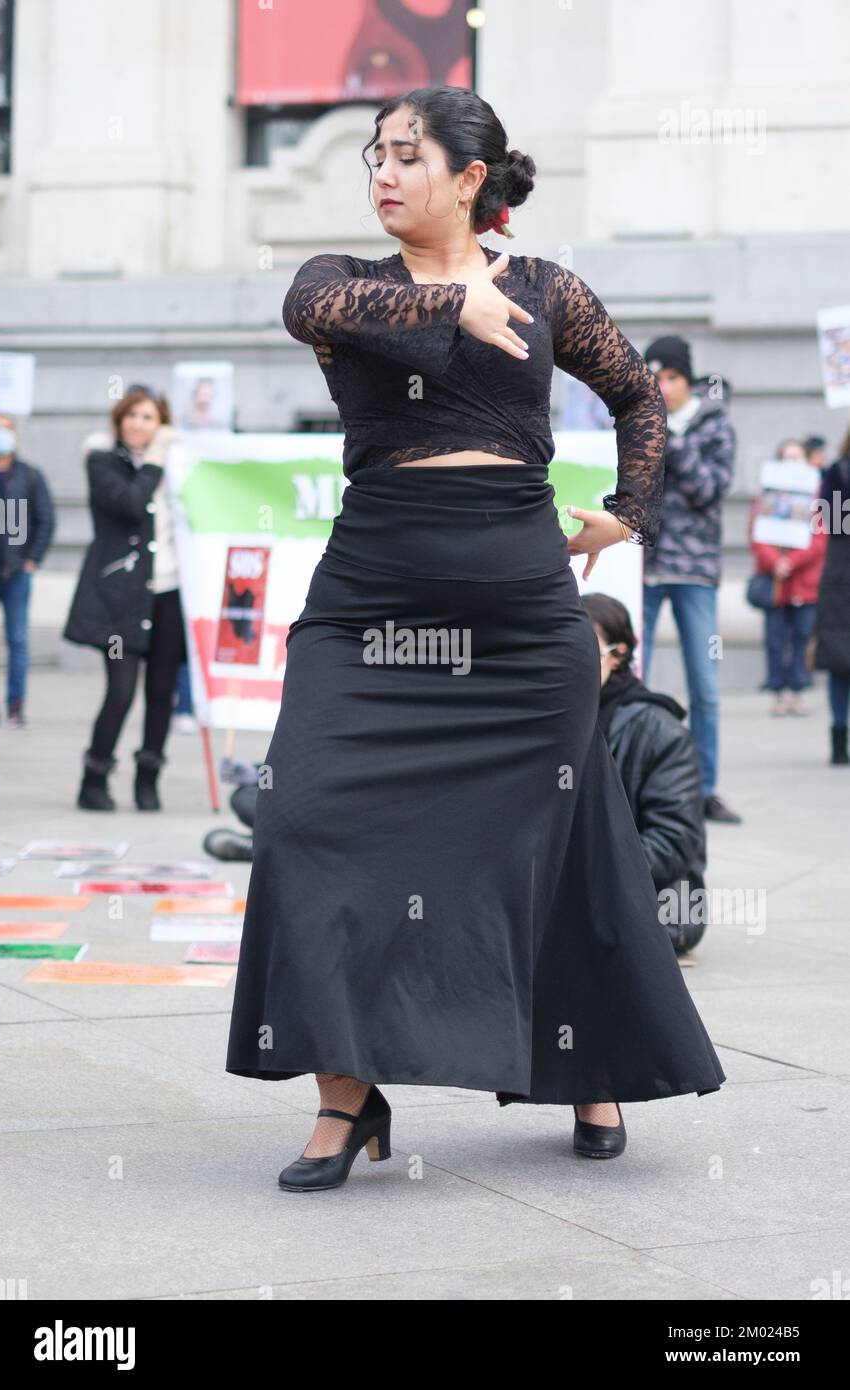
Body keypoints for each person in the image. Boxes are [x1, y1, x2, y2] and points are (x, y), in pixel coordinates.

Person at [225, 86, 725, 1192]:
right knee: (302, 811)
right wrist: (451, 309)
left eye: (410, 154)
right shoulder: (337, 280)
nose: (384, 171)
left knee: (555, 834)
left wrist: (625, 511)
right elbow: (317, 314)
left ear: (469, 178)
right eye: (375, 153)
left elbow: (638, 398)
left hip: (517, 614)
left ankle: (586, 1057)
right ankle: (346, 1096)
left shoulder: (547, 289)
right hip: (366, 603)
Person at [63, 390, 186, 810]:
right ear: (118, 421)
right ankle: (93, 777)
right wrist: (155, 458)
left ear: (161, 423)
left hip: (170, 592)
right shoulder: (101, 461)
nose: (137, 422)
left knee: (162, 690)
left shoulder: (180, 465)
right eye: (130, 415)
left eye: (147, 417)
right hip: (122, 596)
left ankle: (148, 777)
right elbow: (131, 504)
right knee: (121, 692)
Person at [639, 336, 741, 824]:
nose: (663, 387)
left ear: (688, 379)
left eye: (672, 378)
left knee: (705, 686)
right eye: (655, 377)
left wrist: (671, 442)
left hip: (694, 572)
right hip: (642, 567)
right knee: (631, 678)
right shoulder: (636, 419)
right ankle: (630, 785)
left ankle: (705, 790)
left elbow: (709, 489)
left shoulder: (714, 424)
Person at [582, 594, 708, 957]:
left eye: (584, 647)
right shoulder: (551, 719)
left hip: (654, 897)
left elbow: (674, 840)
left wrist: (585, 873)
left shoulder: (661, 732)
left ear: (618, 654)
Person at [0, 411, 55, 728]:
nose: (0, 435)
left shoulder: (28, 475)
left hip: (16, 573)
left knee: (17, 639)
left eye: (6, 429)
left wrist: (32, 559)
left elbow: (45, 519)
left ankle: (16, 706)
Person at [748, 438, 827, 715]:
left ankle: (797, 689)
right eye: (786, 457)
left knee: (801, 637)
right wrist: (775, 563)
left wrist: (791, 562)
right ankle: (777, 690)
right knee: (775, 640)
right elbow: (756, 536)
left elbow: (820, 541)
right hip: (777, 584)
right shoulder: (766, 496)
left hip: (804, 584)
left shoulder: (819, 498)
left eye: (797, 457)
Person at [812, 422, 850, 765]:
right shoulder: (838, 472)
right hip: (842, 579)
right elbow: (829, 519)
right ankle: (839, 736)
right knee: (841, 662)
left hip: (839, 577)